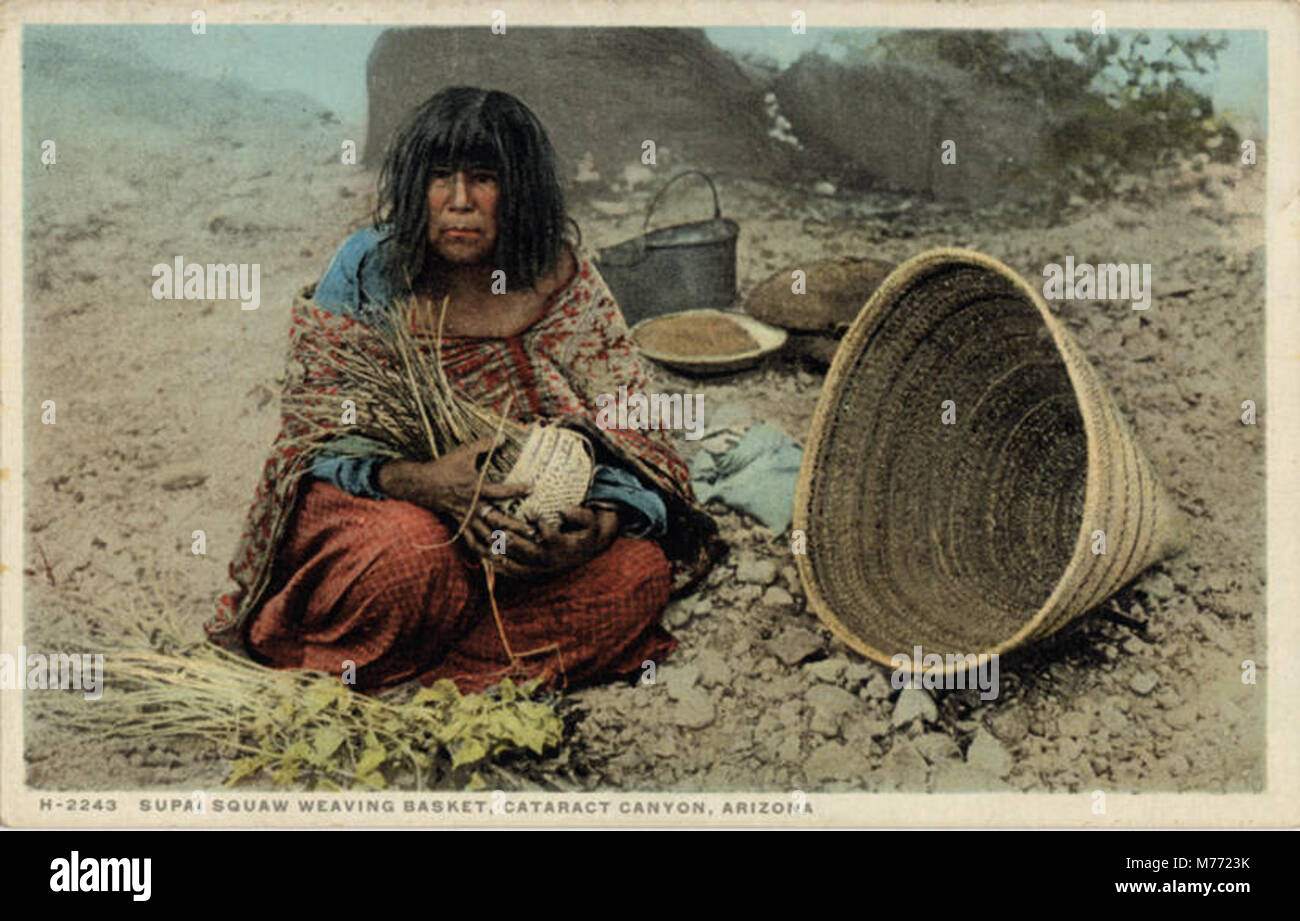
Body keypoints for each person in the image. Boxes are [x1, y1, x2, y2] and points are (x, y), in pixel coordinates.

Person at [207, 87, 720, 693]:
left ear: (521, 191)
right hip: (386, 509)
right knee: (411, 556)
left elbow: (634, 434)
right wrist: (422, 484)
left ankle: (442, 674)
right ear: (415, 188)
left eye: (483, 179)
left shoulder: (560, 279)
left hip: (520, 542)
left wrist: (600, 523)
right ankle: (428, 642)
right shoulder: (371, 272)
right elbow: (313, 437)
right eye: (439, 178)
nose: (458, 203)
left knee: (637, 572)